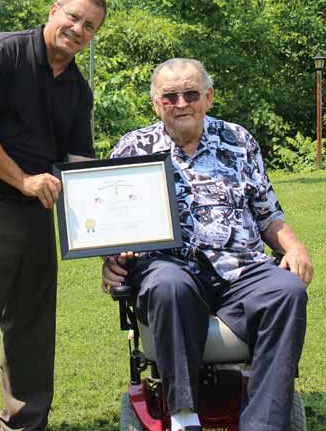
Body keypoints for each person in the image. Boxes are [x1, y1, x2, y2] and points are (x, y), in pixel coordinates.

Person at [102, 58, 313, 431]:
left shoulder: (239, 139)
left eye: (191, 93)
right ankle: (183, 415)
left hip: (241, 267)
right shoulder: (133, 147)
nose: (181, 103)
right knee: (168, 284)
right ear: (156, 104)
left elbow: (268, 215)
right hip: (170, 267)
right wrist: (110, 257)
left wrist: (293, 246)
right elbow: (111, 221)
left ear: (208, 97)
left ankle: (265, 423)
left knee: (287, 289)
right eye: (170, 96)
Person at [0, 0, 106, 431]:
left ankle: (25, 425)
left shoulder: (77, 89)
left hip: (36, 215)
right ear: (54, 12)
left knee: (32, 333)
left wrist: (109, 231)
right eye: (73, 17)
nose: (78, 29)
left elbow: (78, 164)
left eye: (89, 27)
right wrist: (25, 180)